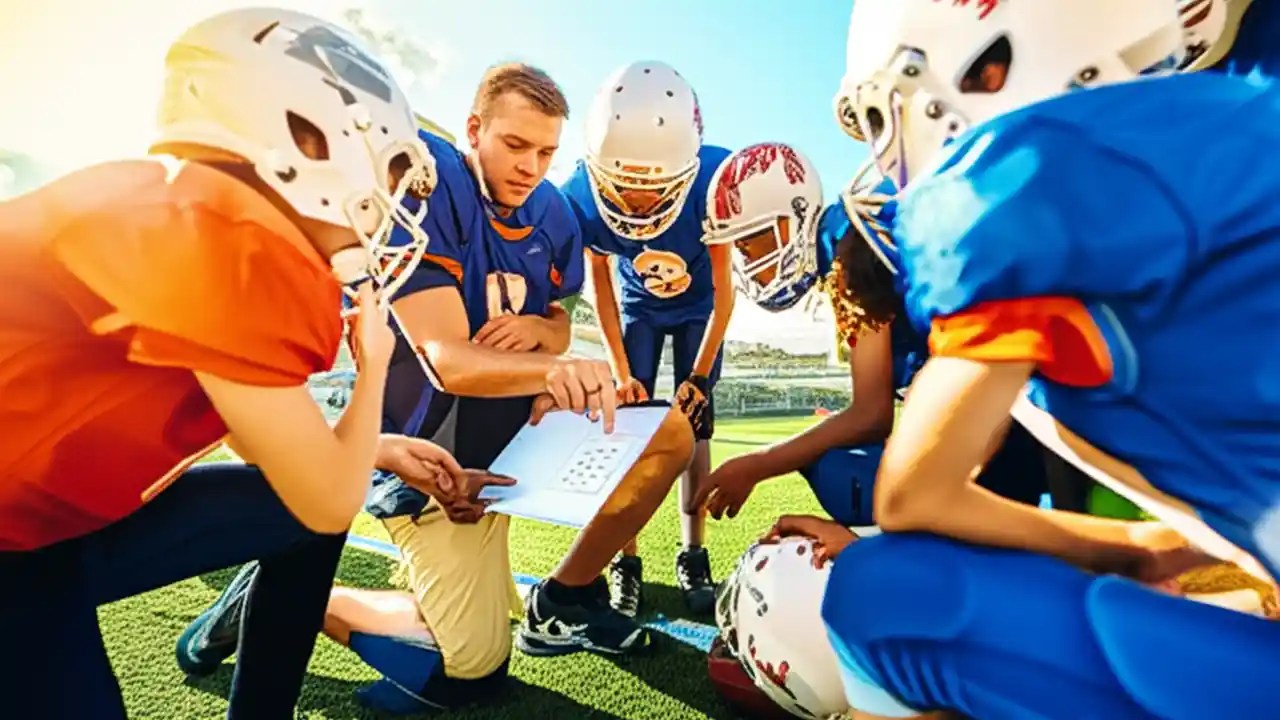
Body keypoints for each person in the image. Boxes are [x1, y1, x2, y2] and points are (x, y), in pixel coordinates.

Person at [772, 2, 1280, 718]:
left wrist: (1134, 548)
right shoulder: (1242, 117)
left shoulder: (1014, 180)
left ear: (983, 66)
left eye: (888, 120)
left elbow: (915, 494)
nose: (888, 164)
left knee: (882, 593)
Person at [179, 63, 696, 714]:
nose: (531, 167)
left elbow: (559, 324)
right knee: (472, 674)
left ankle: (564, 598)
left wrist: (544, 328)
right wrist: (554, 371)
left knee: (667, 433)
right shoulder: (433, 181)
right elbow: (447, 360)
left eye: (546, 152)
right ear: (474, 130)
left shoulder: (553, 212)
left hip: (515, 443)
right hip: (438, 460)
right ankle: (279, 598)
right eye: (514, 145)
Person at [0, 8, 437, 718]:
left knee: (303, 525)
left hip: (48, 523)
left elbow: (248, 428)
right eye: (386, 168)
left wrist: (376, 447)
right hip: (17, 548)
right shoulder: (232, 242)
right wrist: (378, 362)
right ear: (309, 140)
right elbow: (327, 495)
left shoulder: (190, 211)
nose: (387, 202)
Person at [696, 149, 1048, 527]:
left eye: (748, 243)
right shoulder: (857, 231)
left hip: (1024, 412)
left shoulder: (851, 252)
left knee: (832, 464)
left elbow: (870, 414)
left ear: (793, 216)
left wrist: (757, 464)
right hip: (1033, 391)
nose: (747, 264)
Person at [561, 60, 734, 617]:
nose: (636, 202)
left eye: (651, 187)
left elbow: (726, 295)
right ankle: (624, 561)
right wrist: (621, 370)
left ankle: (693, 553)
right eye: (624, 186)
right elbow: (602, 290)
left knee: (695, 431)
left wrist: (700, 378)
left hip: (698, 312)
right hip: (638, 311)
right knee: (625, 429)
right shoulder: (581, 194)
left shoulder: (713, 181)